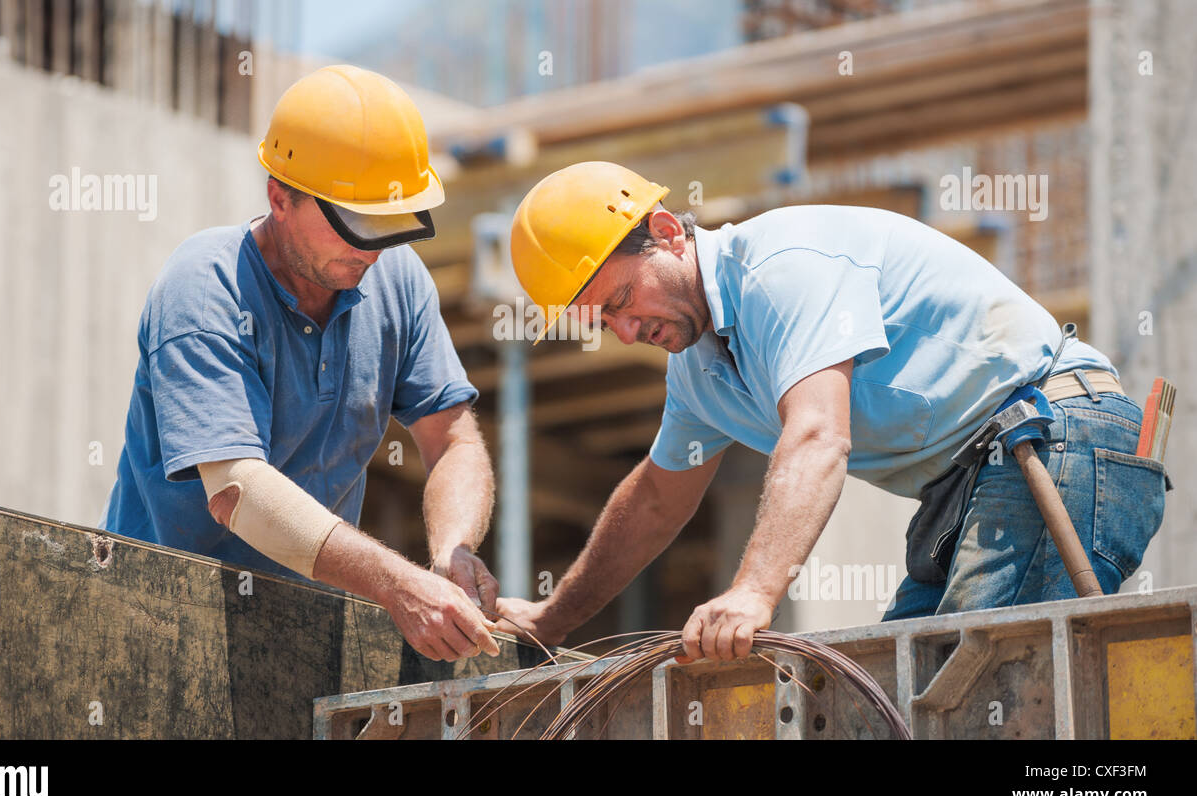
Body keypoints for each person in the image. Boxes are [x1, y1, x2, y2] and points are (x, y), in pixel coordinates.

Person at [494, 160, 1167, 661]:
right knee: (891, 698)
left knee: (977, 689)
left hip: (1060, 436)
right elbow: (655, 503)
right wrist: (551, 621)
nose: (624, 330)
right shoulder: (699, 372)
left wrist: (754, 592)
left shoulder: (783, 267)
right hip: (977, 482)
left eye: (620, 300)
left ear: (668, 233)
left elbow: (818, 436)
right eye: (602, 320)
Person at [100, 65, 500, 663]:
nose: (371, 248)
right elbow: (237, 491)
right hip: (156, 624)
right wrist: (397, 584)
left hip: (303, 635)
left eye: (387, 224)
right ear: (279, 198)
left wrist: (452, 553)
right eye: (353, 224)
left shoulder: (398, 280)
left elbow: (454, 442)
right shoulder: (206, 287)